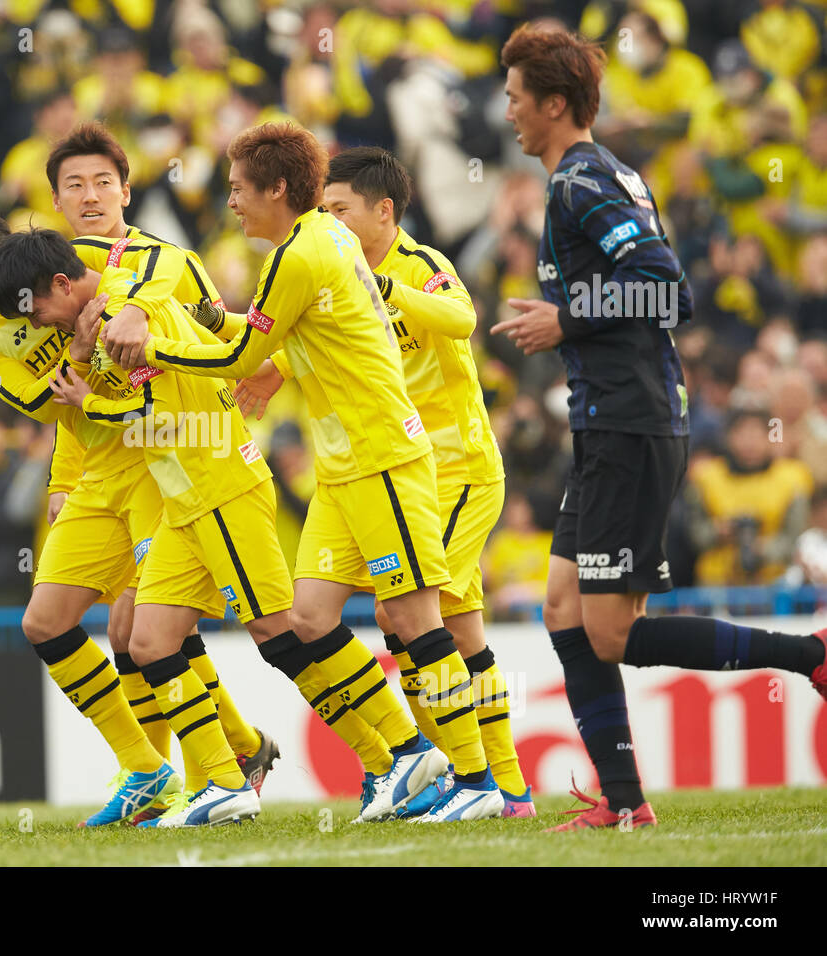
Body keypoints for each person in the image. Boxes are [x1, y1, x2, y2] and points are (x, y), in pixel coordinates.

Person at [103, 122, 494, 823]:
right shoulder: (319, 243)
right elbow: (271, 337)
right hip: (341, 471)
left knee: (412, 616)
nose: (231, 204)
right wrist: (210, 316)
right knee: (309, 619)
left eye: (237, 190)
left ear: (276, 188)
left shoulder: (301, 253)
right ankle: (406, 760)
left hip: (382, 456)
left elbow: (239, 362)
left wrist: (155, 343)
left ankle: (475, 779)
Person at [491, 24, 826, 831]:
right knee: (564, 607)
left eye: (515, 99)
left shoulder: (582, 184)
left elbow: (669, 291)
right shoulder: (600, 174)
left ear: (555, 104)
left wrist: (566, 320)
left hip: (629, 422)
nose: (507, 114)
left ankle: (811, 655)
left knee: (608, 631)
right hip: (611, 419)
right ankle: (626, 803)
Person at [0, 206, 274, 826]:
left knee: (147, 631)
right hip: (98, 471)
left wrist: (142, 310)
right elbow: (51, 407)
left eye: (9, 287)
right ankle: (157, 766)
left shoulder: (79, 258)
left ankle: (219, 776)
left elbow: (175, 267)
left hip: (159, 464)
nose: (13, 305)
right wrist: (85, 353)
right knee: (45, 623)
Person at [233, 145, 534, 818]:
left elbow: (463, 318)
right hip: (374, 471)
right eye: (325, 210)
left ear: (384, 212)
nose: (330, 220)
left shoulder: (418, 265)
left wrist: (387, 291)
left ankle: (488, 783)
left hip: (452, 471)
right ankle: (478, 780)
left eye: (340, 209)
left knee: (419, 622)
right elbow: (290, 345)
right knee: (436, 629)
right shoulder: (329, 272)